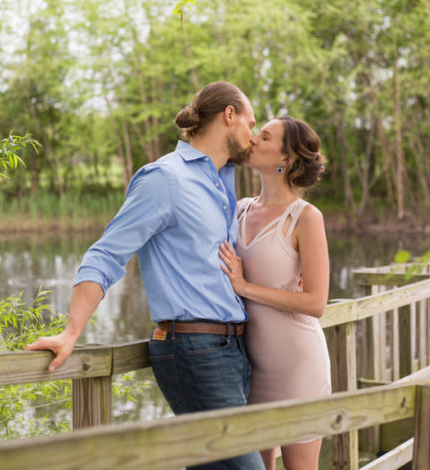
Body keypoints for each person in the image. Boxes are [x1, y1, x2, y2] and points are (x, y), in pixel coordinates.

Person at [25, 81, 265, 470]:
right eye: (251, 123)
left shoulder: (221, 183)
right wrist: (71, 332)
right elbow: (106, 254)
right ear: (229, 115)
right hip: (194, 348)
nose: (253, 135)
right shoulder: (165, 179)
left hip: (233, 349)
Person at [218, 116, 331, 470]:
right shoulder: (237, 210)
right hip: (249, 368)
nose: (252, 139)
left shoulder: (306, 217)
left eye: (265, 137)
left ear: (288, 159)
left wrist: (245, 287)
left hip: (298, 365)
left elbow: (316, 302)